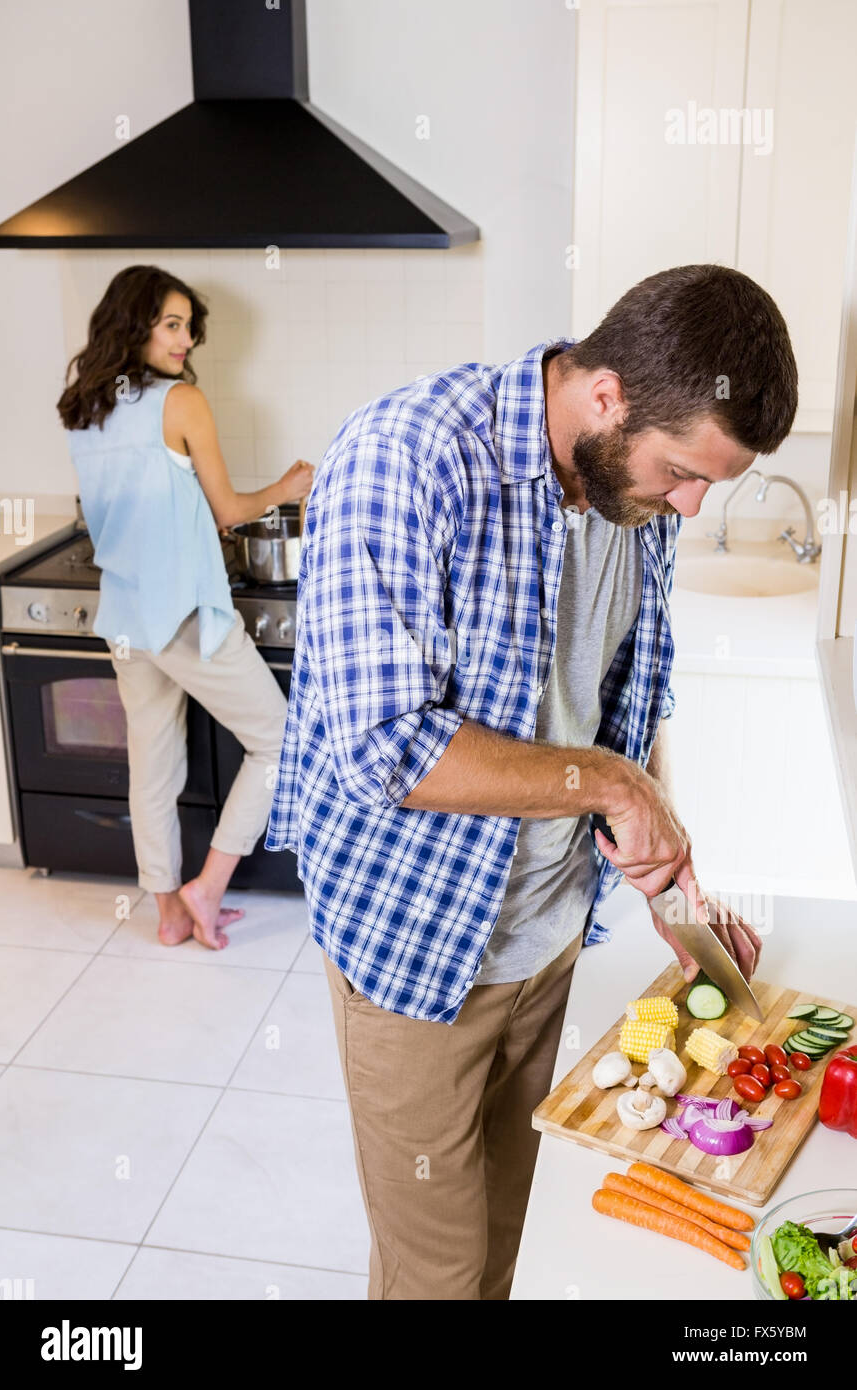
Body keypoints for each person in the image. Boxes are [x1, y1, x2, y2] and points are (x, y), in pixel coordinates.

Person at [266, 264, 797, 1300]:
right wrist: (605, 784)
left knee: (503, 1241)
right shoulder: (406, 457)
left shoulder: (626, 493)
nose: (689, 503)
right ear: (605, 398)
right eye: (683, 472)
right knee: (438, 1272)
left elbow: (626, 701)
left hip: (547, 936)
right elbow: (385, 745)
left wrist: (667, 874)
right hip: (417, 951)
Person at [58, 264, 313, 949]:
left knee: (153, 766)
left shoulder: (84, 406)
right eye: (171, 323)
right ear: (135, 322)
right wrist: (289, 487)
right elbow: (229, 512)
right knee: (282, 742)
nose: (184, 339)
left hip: (125, 612)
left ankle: (168, 912)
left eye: (187, 326)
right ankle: (209, 884)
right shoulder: (180, 402)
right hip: (185, 612)